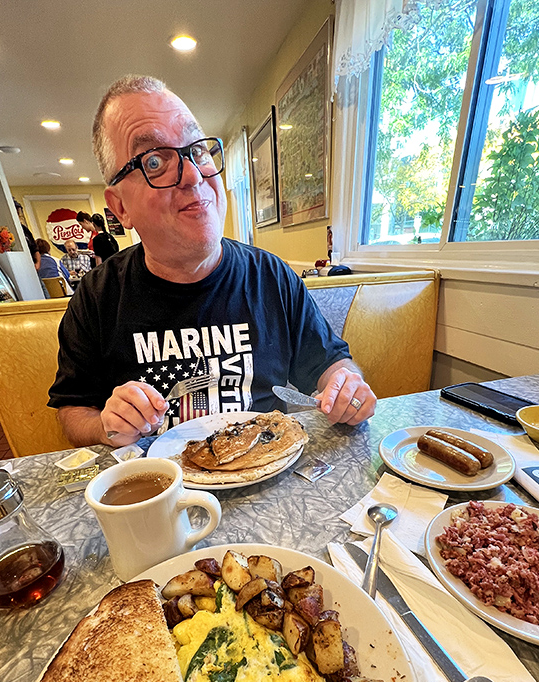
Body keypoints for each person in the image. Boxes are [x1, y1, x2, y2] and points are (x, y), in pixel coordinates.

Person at [48, 75, 376, 449]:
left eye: (198, 151)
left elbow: (330, 363)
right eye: (154, 161)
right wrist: (106, 425)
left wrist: (346, 385)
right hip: (160, 489)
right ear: (120, 207)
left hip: (266, 468)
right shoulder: (97, 295)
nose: (192, 174)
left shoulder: (272, 276)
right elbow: (72, 409)